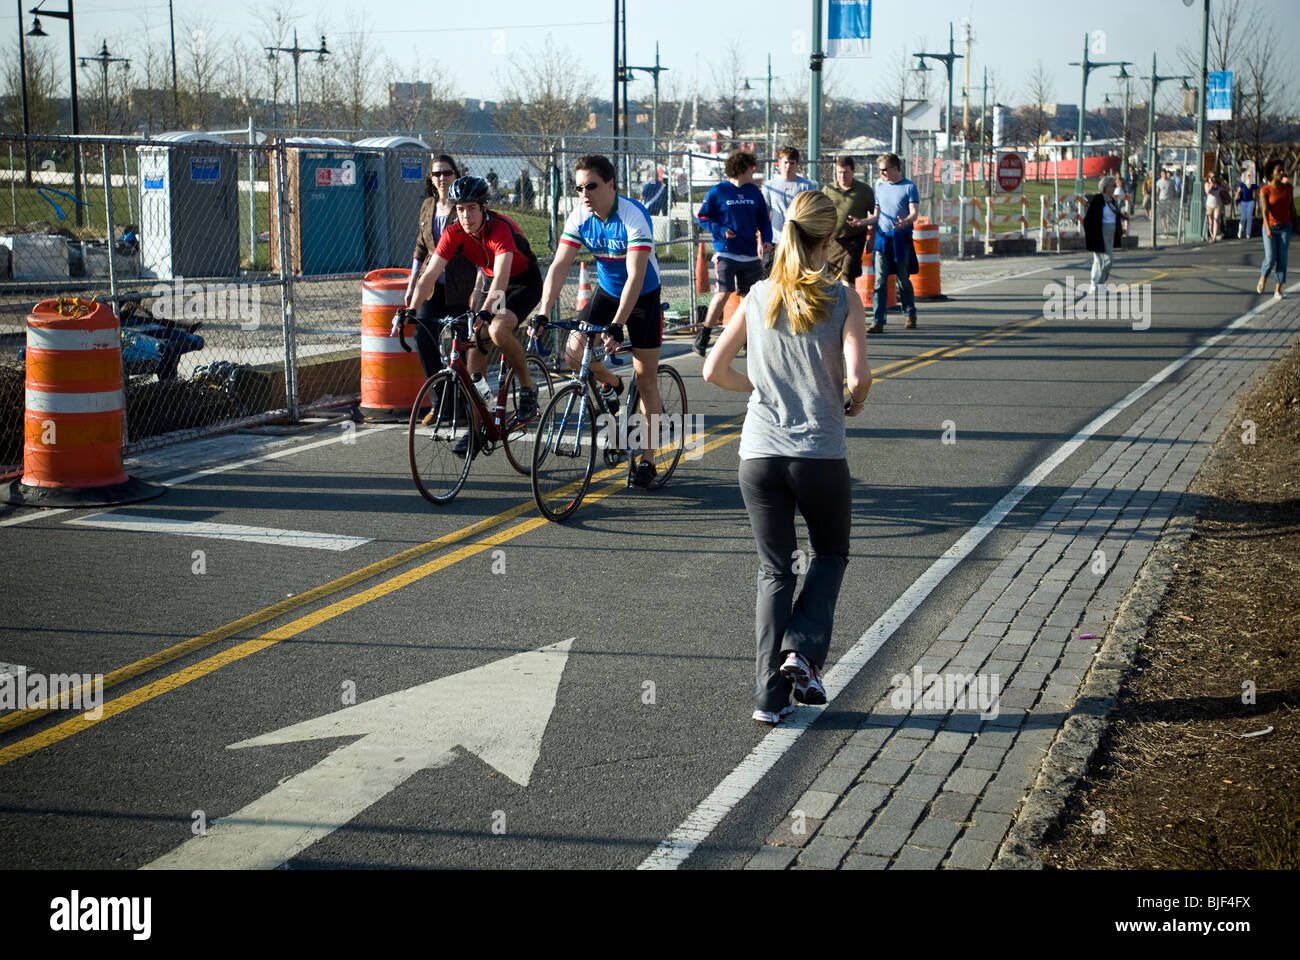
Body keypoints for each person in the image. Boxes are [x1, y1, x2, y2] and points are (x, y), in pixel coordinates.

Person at [701, 190, 870, 725]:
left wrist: (757, 386)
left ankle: (767, 698)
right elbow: (859, 378)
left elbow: (711, 370)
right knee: (831, 553)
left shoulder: (756, 295)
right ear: (827, 241)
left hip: (759, 453)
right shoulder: (842, 298)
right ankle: (801, 650)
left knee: (774, 570)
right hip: (818, 453)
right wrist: (853, 402)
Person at [535, 154, 667, 488]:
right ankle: (612, 384)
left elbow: (636, 276)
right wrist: (542, 311)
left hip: (642, 298)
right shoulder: (580, 215)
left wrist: (617, 324)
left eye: (591, 186)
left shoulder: (632, 215)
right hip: (607, 293)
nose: (584, 194)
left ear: (610, 184)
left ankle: (649, 460)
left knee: (646, 379)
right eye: (579, 188)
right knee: (572, 353)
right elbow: (560, 266)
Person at [407, 175, 543, 453]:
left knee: (496, 329)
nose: (465, 215)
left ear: (484, 208)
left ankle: (529, 388)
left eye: (471, 208)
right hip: (493, 283)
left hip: (523, 282)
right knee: (472, 360)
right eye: (460, 209)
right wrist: (410, 309)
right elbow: (430, 274)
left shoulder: (500, 229)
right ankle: (478, 428)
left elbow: (503, 276)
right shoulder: (454, 232)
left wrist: (485, 310)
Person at [405, 154, 482, 392]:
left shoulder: (465, 206)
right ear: (431, 177)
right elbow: (421, 247)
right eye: (437, 173)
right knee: (423, 338)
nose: (442, 178)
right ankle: (440, 402)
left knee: (462, 347)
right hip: (432, 286)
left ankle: (467, 402)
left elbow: (482, 246)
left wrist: (479, 289)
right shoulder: (428, 205)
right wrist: (412, 284)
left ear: (456, 175)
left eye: (447, 173)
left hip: (461, 287)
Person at [693, 150, 772, 357]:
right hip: (726, 253)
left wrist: (766, 240)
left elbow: (764, 220)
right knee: (722, 294)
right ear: (740, 169)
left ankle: (747, 338)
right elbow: (702, 217)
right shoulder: (718, 192)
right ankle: (704, 336)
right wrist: (720, 230)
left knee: (751, 297)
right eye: (749, 168)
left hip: (750, 255)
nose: (753, 172)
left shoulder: (754, 192)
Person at [864, 152, 919, 333]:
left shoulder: (909, 187)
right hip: (883, 239)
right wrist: (862, 223)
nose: (882, 173)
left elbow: (914, 212)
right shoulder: (880, 187)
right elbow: (876, 215)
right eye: (880, 170)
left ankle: (910, 312)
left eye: (885, 170)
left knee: (903, 280)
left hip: (900, 240)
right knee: (879, 281)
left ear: (895, 168)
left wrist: (906, 221)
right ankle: (878, 320)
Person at [820, 155, 874, 289]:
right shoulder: (828, 190)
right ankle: (838, 306)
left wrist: (872, 237)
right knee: (833, 275)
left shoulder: (864, 190)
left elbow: (877, 215)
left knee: (848, 272)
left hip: (855, 238)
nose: (842, 176)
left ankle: (850, 305)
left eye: (846, 172)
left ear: (853, 172)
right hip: (834, 240)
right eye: (839, 172)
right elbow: (820, 214)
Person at [760, 146, 814, 274]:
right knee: (770, 277)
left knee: (796, 277)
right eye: (785, 162)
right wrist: (761, 240)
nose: (788, 166)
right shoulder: (769, 185)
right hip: (775, 240)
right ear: (779, 163)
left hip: (797, 241)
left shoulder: (805, 185)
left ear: (797, 165)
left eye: (791, 163)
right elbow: (763, 215)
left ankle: (797, 295)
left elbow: (810, 212)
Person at [1258, 159, 1295, 301]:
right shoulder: (1265, 190)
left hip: (1285, 227)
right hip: (1270, 227)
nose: (1281, 172)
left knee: (1283, 258)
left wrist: (1296, 223)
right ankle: (1263, 277)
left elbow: (1292, 207)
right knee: (1271, 257)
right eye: (1278, 170)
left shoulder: (1288, 188)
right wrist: (1267, 228)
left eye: (1282, 170)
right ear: (1271, 173)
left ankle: (1278, 289)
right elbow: (1265, 209)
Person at [1083, 174, 1125, 297]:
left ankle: (1097, 286)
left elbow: (1115, 214)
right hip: (1100, 234)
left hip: (1111, 233)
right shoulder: (1098, 200)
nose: (1115, 187)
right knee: (1107, 260)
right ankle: (1096, 284)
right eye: (1113, 185)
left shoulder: (1111, 200)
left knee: (1098, 261)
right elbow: (1090, 218)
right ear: (1105, 186)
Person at [1236, 171, 1256, 239]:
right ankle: (1240, 230)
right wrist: (1236, 199)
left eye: (1250, 175)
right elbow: (1238, 192)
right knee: (1243, 217)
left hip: (1251, 201)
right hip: (1243, 201)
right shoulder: (1242, 184)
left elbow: (1255, 193)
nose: (1249, 176)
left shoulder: (1253, 184)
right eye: (1248, 175)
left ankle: (1248, 233)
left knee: (1249, 217)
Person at [1205, 174, 1223, 242]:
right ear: (1209, 178)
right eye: (1212, 177)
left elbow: (1227, 188)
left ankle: (1214, 237)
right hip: (1209, 205)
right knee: (1211, 221)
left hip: (1217, 204)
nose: (1213, 178)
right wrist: (1211, 184)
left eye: (1214, 177)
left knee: (1216, 220)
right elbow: (1207, 192)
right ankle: (1212, 235)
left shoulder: (1218, 184)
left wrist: (1224, 183)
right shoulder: (1207, 184)